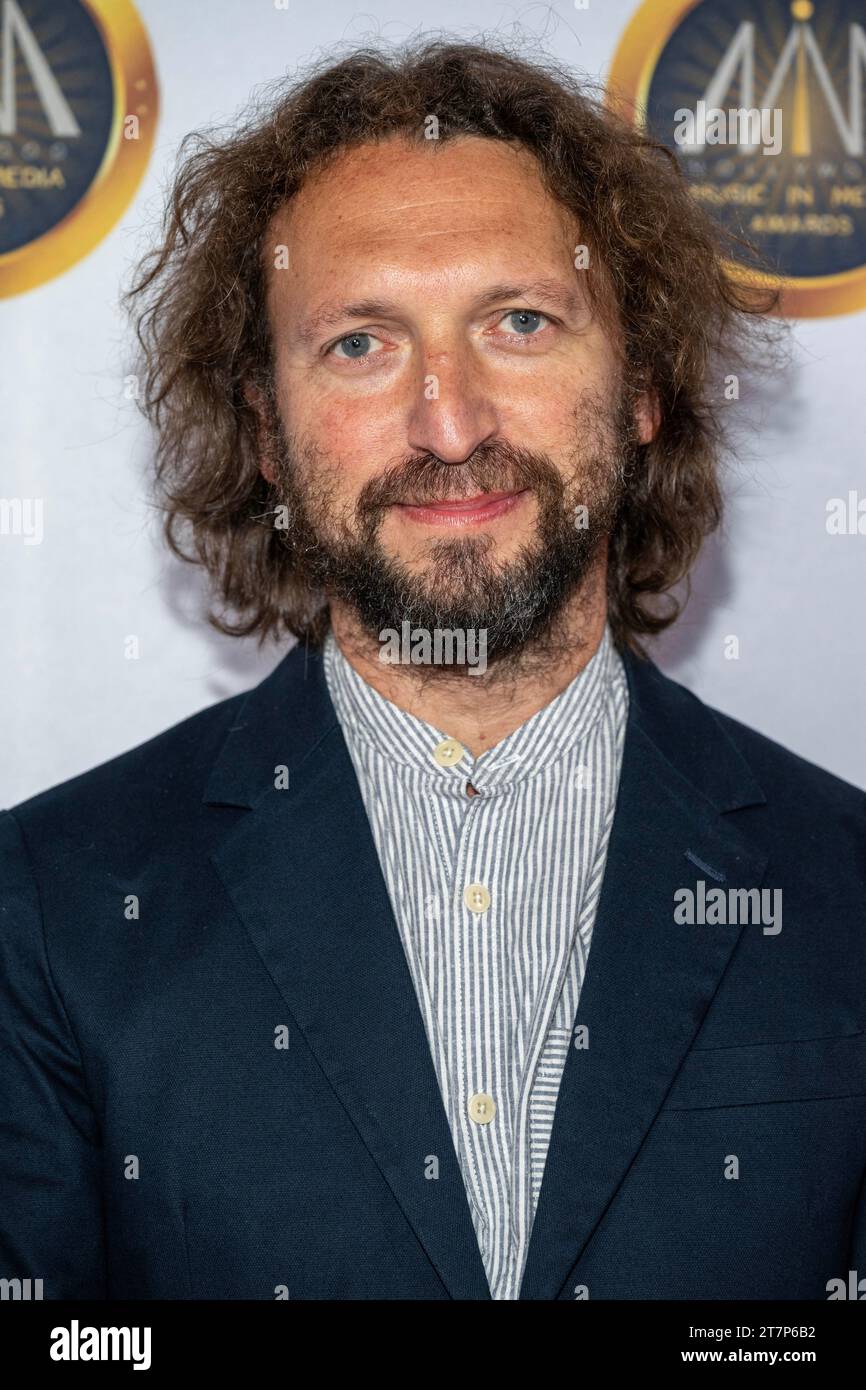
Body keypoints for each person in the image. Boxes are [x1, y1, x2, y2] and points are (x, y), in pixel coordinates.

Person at [2, 41, 864, 1302]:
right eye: (360, 343)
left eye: (519, 322)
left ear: (637, 390)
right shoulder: (49, 907)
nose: (448, 422)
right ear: (263, 432)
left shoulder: (840, 881)